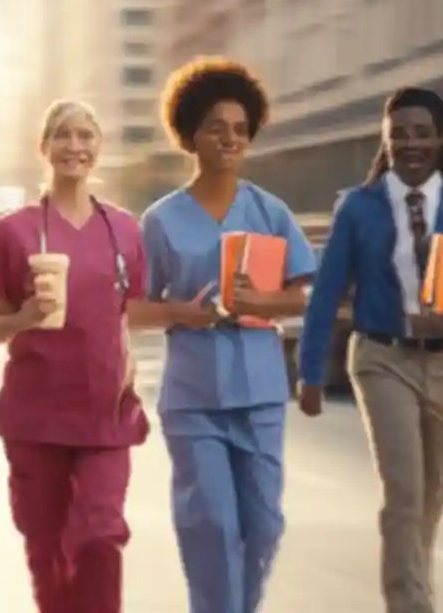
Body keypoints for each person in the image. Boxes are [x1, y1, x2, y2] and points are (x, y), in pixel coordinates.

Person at [298, 87, 443, 613]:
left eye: (420, 133)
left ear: (440, 138)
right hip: (382, 358)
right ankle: (409, 604)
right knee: (405, 492)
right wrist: (309, 374)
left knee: (433, 493)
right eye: (398, 135)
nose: (409, 144)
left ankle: (417, 583)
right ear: (384, 141)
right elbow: (326, 293)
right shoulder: (358, 207)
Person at [139, 57, 318, 613]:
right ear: (190, 134)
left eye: (240, 129)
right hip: (194, 399)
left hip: (262, 395)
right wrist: (183, 314)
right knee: (211, 524)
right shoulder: (161, 220)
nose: (230, 139)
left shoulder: (270, 211)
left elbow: (301, 295)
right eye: (216, 127)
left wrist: (260, 302)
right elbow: (133, 308)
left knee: (263, 526)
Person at [0, 100, 150, 613]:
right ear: (44, 147)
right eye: (64, 136)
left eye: (86, 136)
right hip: (36, 418)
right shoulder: (12, 232)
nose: (75, 146)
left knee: (100, 537)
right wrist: (26, 316)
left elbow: (129, 312)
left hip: (105, 416)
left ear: (98, 148)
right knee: (46, 552)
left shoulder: (125, 231)